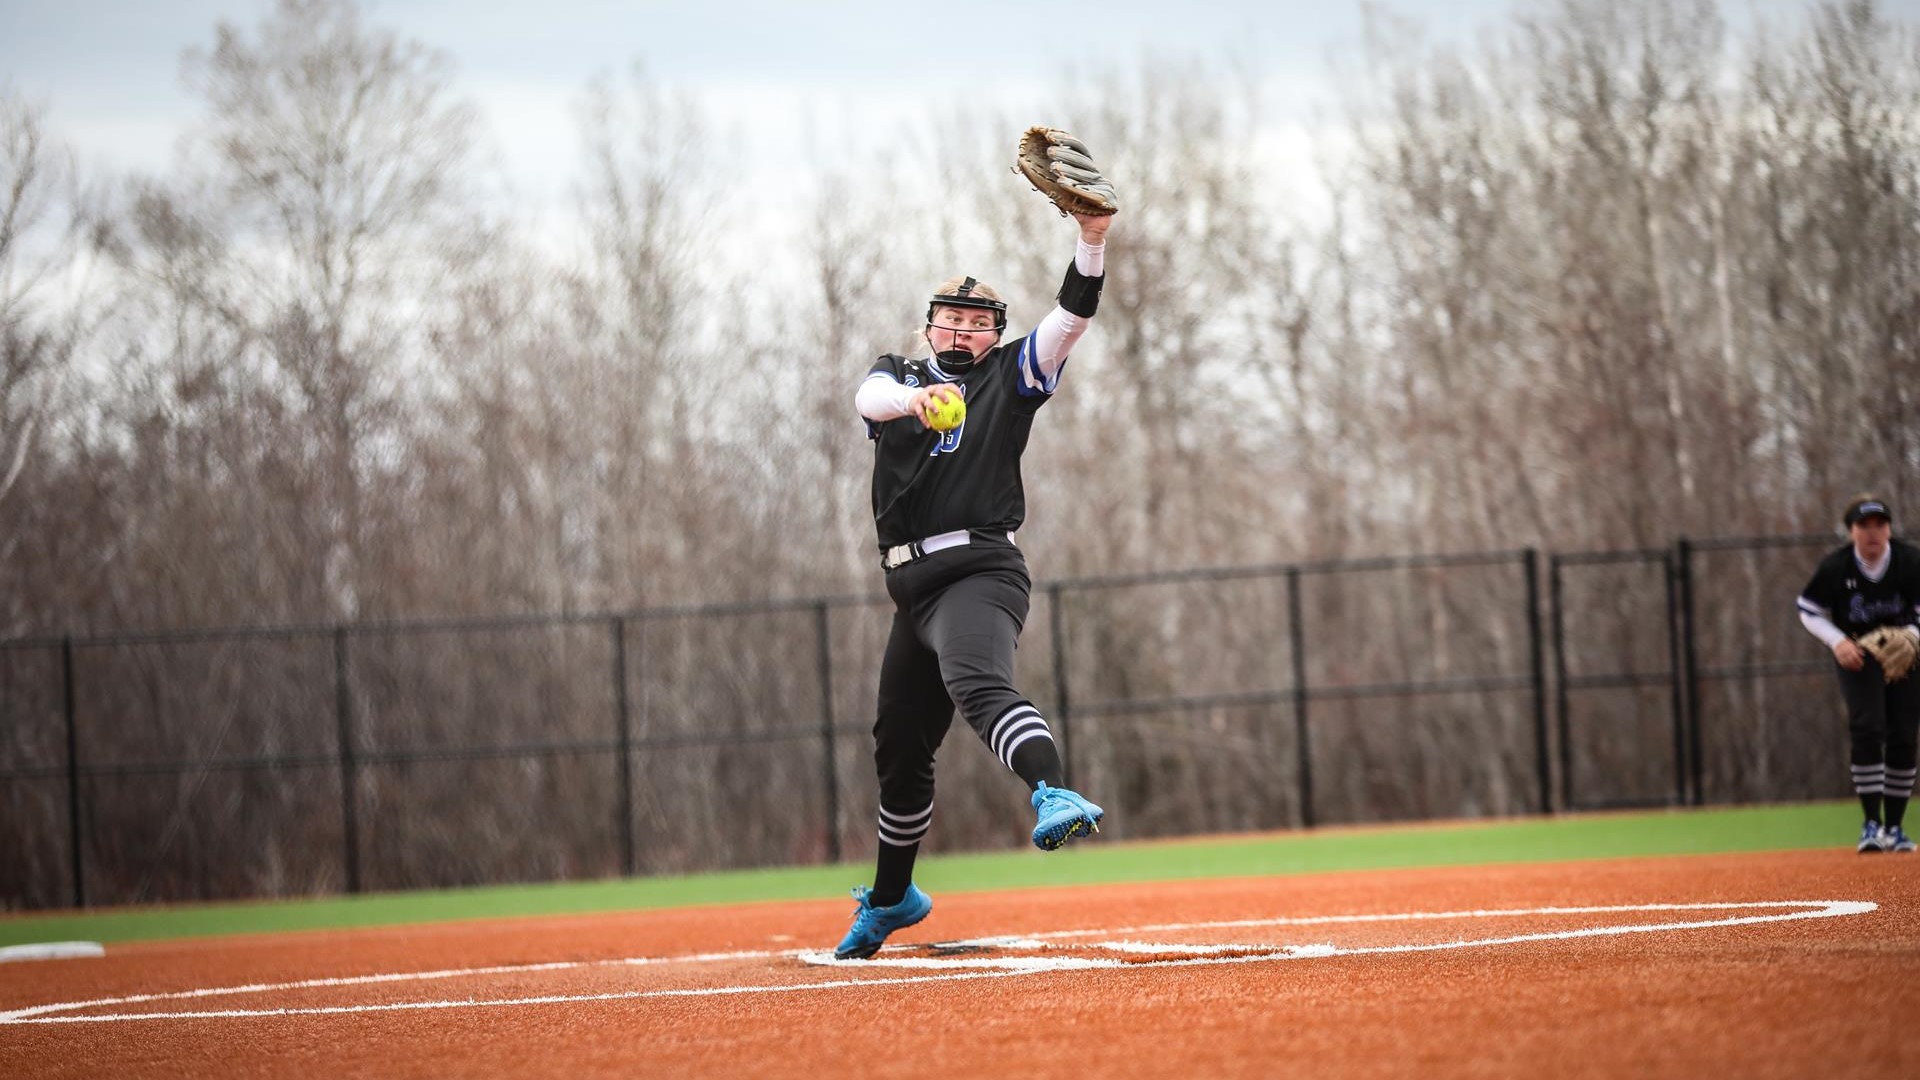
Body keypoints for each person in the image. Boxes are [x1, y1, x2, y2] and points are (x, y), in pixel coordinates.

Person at [832, 209, 1114, 960]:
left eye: (977, 322)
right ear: (930, 328)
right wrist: (912, 400)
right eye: (950, 320)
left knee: (978, 684)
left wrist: (1091, 238)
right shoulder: (896, 376)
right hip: (910, 588)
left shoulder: (1011, 375)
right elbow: (867, 400)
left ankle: (1052, 790)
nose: (962, 332)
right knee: (897, 747)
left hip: (980, 568)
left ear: (995, 332)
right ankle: (893, 898)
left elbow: (1072, 318)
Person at [1797, 495, 1920, 853]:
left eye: (1879, 524)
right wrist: (1837, 642)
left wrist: (1912, 636)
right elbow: (1808, 610)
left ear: (1889, 529)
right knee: (1867, 727)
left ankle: (1895, 827)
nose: (1872, 532)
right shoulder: (1837, 567)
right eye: (1863, 526)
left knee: (1903, 734)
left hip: (1907, 657)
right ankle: (1871, 824)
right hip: (1858, 655)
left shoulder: (1909, 562)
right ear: (1851, 531)